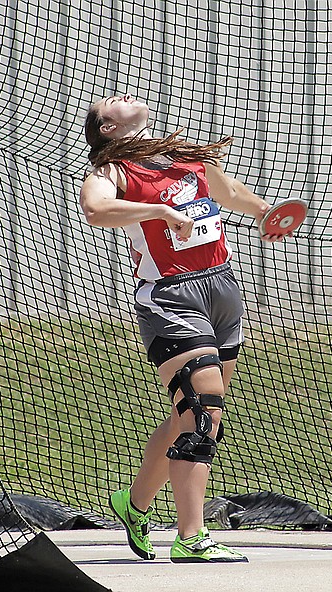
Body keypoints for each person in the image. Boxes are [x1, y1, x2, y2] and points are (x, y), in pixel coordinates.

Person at [80, 93, 284, 563]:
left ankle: (132, 506)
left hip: (221, 289)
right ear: (107, 128)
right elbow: (96, 210)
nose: (121, 95)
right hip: (171, 297)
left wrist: (264, 215)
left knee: (188, 417)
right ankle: (191, 537)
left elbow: (230, 195)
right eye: (109, 102)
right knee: (201, 409)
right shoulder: (112, 172)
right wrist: (158, 212)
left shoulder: (183, 159)